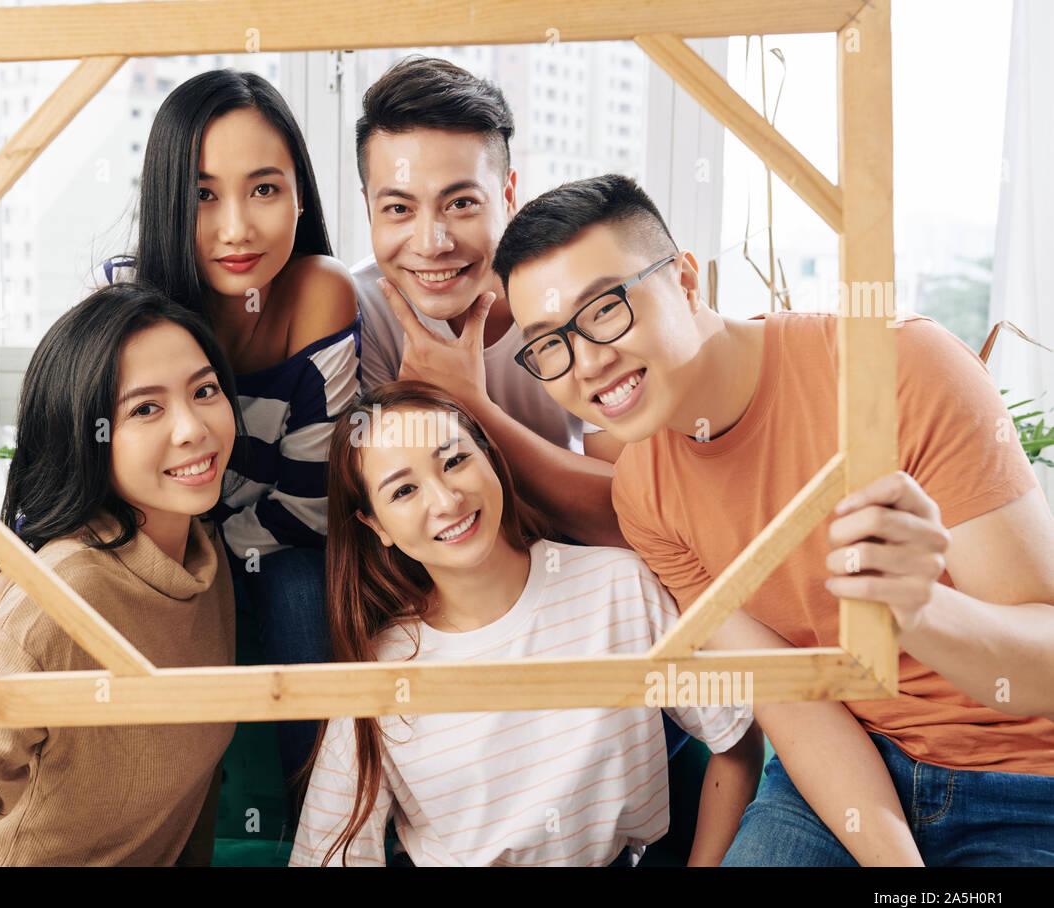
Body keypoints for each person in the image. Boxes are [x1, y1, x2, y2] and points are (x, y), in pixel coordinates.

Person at [494, 172, 1054, 865]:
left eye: (605, 308)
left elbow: (1046, 669)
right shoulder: (645, 493)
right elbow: (793, 701)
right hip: (840, 777)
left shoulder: (898, 367)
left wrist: (921, 609)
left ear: (688, 281)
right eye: (549, 343)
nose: (587, 362)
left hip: (1023, 781)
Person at [290, 382, 922, 867]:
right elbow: (330, 851)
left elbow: (736, 742)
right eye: (402, 491)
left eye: (454, 461)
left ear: (488, 456)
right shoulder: (379, 667)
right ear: (374, 527)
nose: (446, 500)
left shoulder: (618, 585)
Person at [0, 70, 360, 809]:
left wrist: (205, 534)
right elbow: (66, 473)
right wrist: (1, 578)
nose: (235, 227)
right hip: (155, 544)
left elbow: (311, 509)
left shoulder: (320, 294)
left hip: (272, 549)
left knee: (305, 580)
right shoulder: (129, 309)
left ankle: (327, 826)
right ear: (166, 202)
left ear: (301, 195)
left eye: (264, 189)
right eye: (203, 195)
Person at [0, 284, 242, 865]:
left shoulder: (205, 554)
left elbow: (189, 798)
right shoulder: (63, 597)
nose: (193, 428)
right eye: (145, 408)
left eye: (205, 390)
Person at [349, 56, 625, 548]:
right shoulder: (356, 311)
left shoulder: (568, 295)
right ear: (368, 207)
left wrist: (474, 407)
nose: (432, 243)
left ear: (508, 194)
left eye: (461, 203)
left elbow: (635, 516)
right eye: (398, 209)